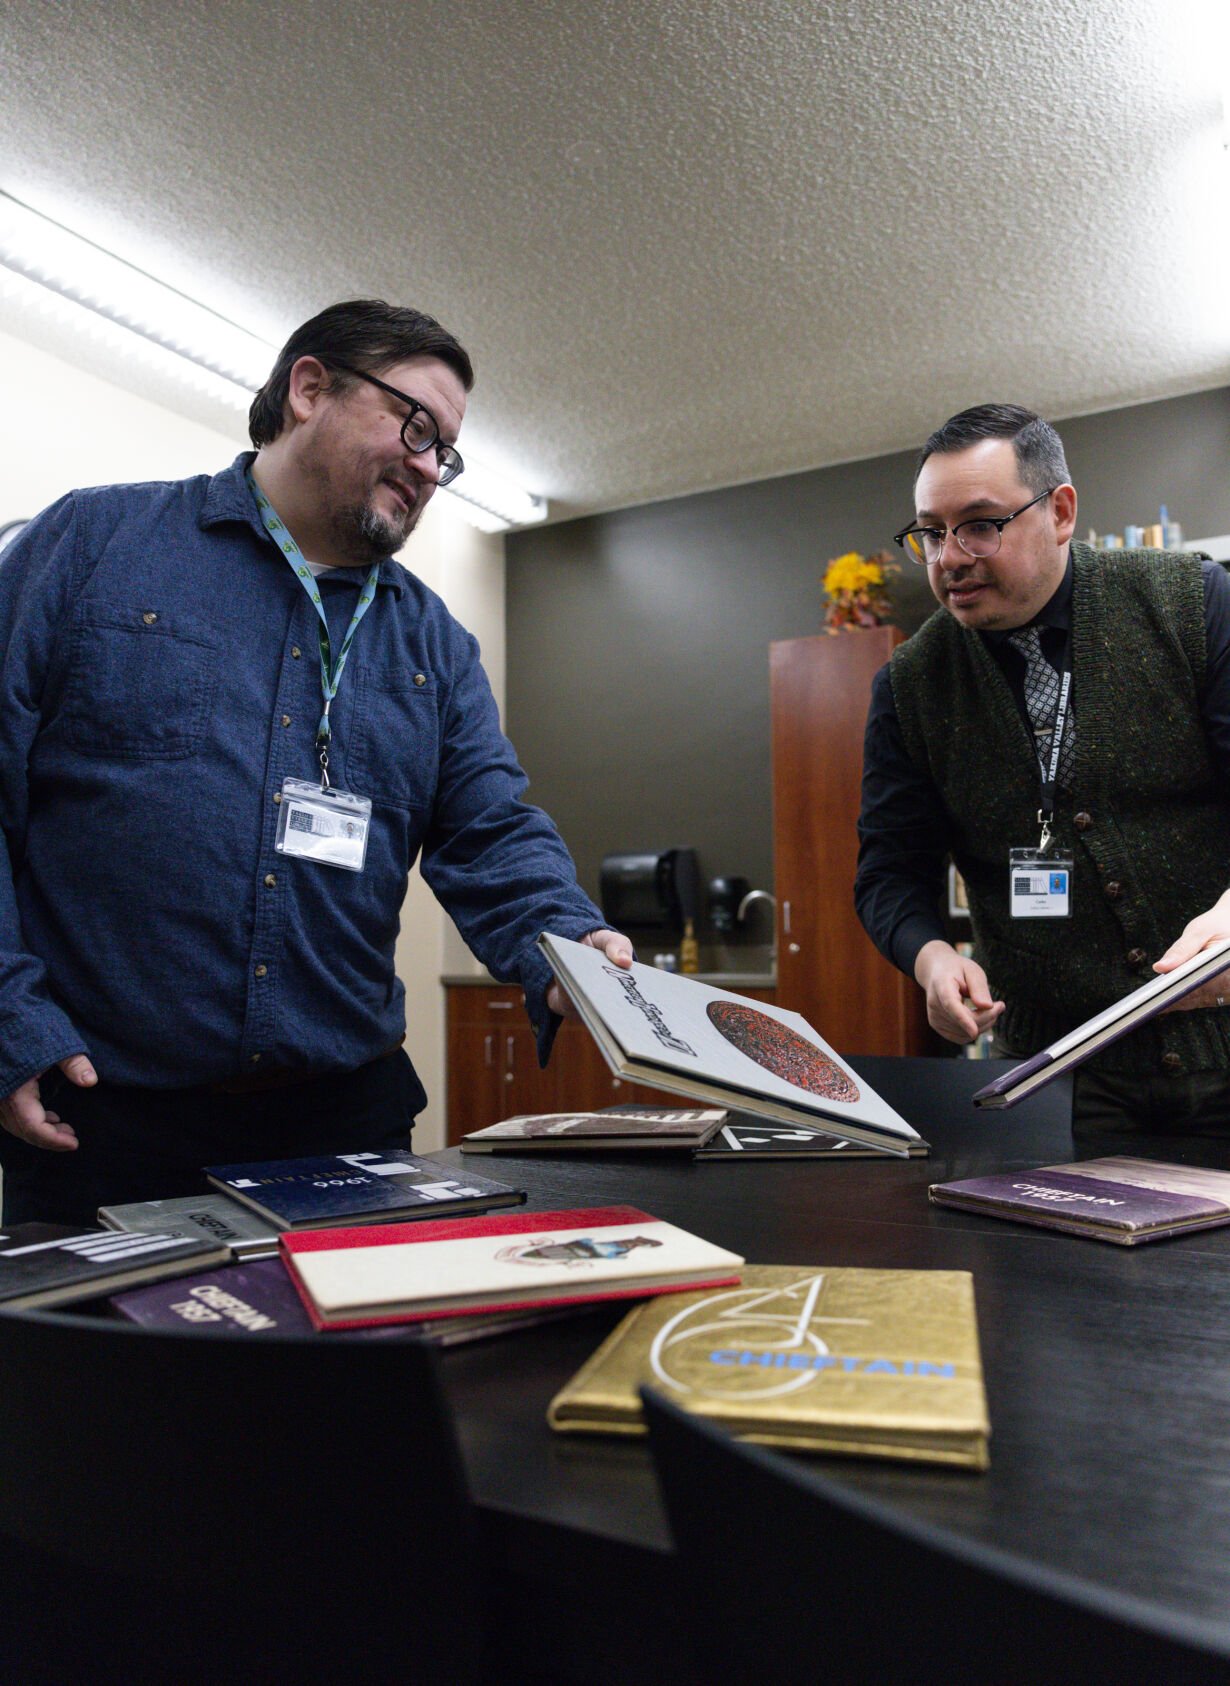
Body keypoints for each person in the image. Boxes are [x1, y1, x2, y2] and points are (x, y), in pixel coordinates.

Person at [0, 298, 630, 1222]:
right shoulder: (93, 547)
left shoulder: (434, 644)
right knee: (114, 1375)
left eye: (444, 453)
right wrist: (7, 1015)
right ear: (308, 388)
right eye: (415, 425)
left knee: (350, 1373)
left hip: (345, 1124)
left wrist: (571, 941)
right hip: (106, 1118)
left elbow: (490, 832)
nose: (428, 467)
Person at [855, 403, 1230, 1133]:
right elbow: (888, 873)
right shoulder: (910, 685)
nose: (949, 557)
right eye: (930, 532)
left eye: (980, 524)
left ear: (1059, 511)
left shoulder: (1192, 603)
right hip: (1049, 1082)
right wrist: (930, 959)